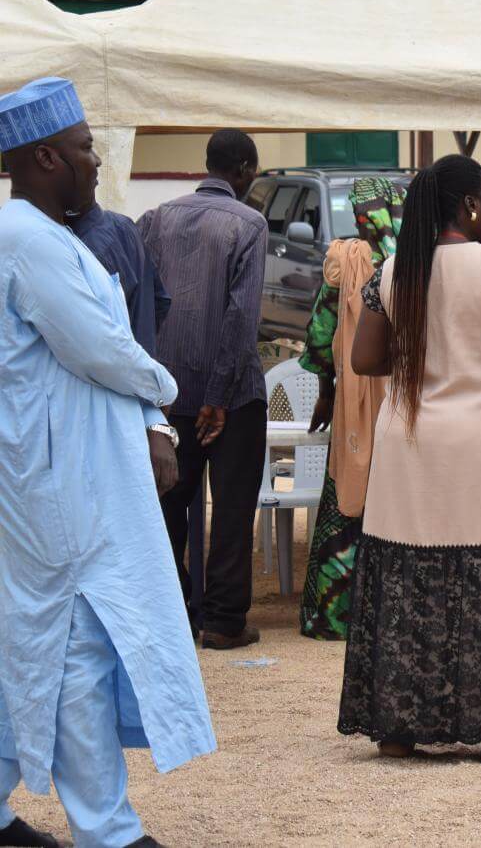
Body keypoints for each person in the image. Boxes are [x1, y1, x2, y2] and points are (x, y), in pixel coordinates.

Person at [0, 77, 214, 848]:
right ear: (46, 157)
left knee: (35, 635)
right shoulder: (25, 238)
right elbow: (95, 346)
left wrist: (150, 419)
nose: (96, 161)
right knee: (77, 640)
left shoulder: (43, 233)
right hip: (61, 480)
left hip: (72, 469)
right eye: (86, 148)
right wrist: (164, 388)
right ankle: (108, 831)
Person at [337, 155, 481, 763]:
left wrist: (417, 354)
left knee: (405, 574)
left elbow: (364, 360)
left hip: (407, 442)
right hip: (480, 444)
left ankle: (397, 730)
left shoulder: (393, 271)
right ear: (470, 206)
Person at [137, 128, 268, 649]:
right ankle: (222, 621)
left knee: (167, 503)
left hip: (167, 391)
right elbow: (241, 317)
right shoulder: (250, 223)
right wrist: (217, 397)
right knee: (232, 509)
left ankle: (172, 615)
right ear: (245, 170)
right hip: (233, 395)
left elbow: (141, 306)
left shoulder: (156, 218)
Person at [296, 177, 404, 640]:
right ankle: (394, 615)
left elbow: (321, 335)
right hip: (405, 402)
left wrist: (326, 391)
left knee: (346, 496)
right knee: (399, 504)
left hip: (354, 408)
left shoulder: (345, 262)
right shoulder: (414, 264)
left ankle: (334, 614)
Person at [68, 200, 169, 356]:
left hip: (116, 363)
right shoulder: (124, 225)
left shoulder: (79, 252)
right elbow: (161, 299)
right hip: (141, 359)